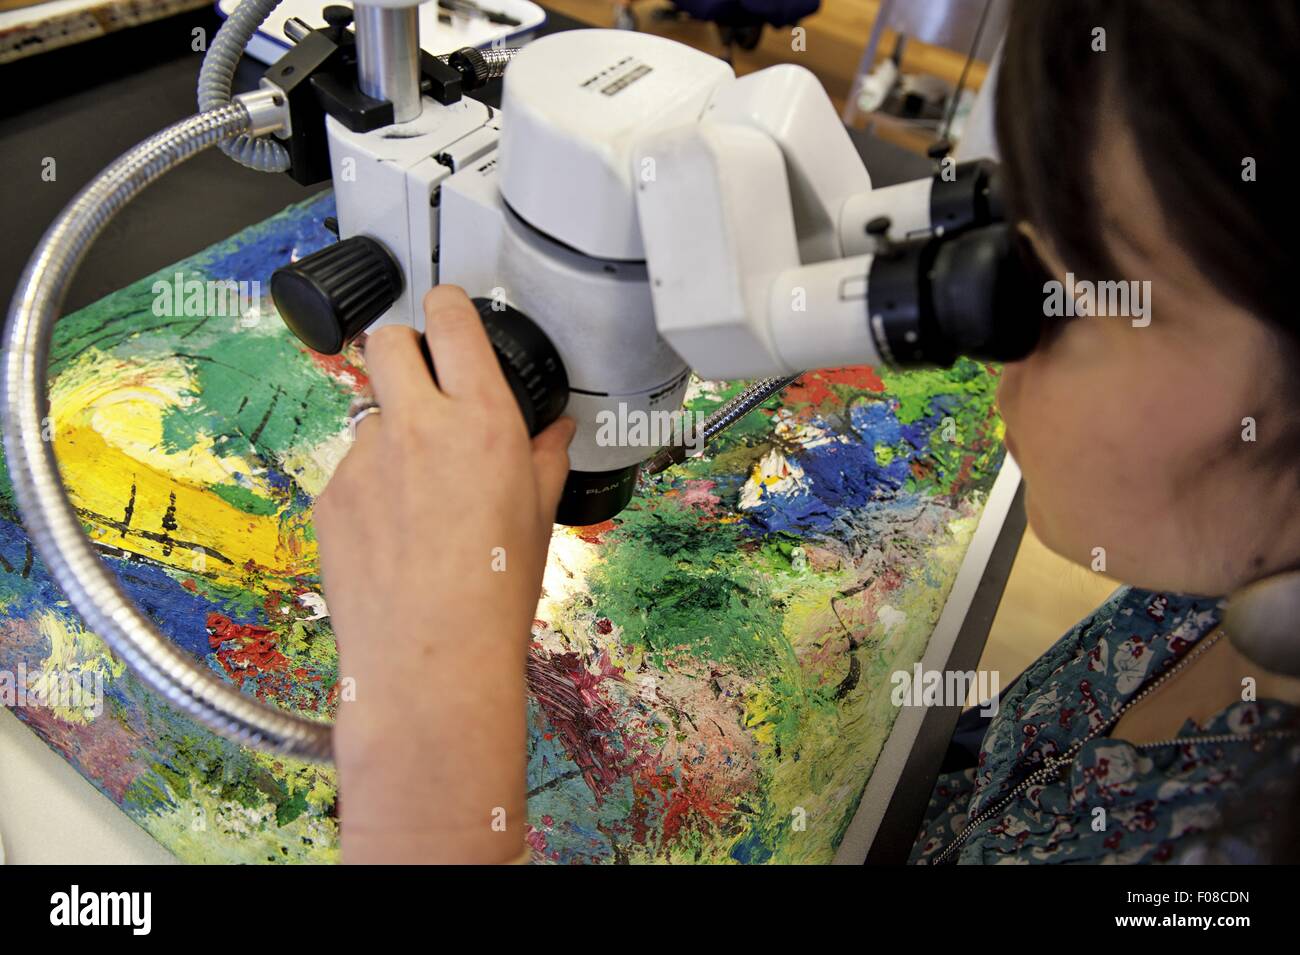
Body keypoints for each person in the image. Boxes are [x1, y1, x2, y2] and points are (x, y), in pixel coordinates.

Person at [313, 0, 1300, 863]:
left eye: (1062, 280)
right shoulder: (1216, 591)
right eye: (1012, 221)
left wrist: (423, 775)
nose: (995, 345)